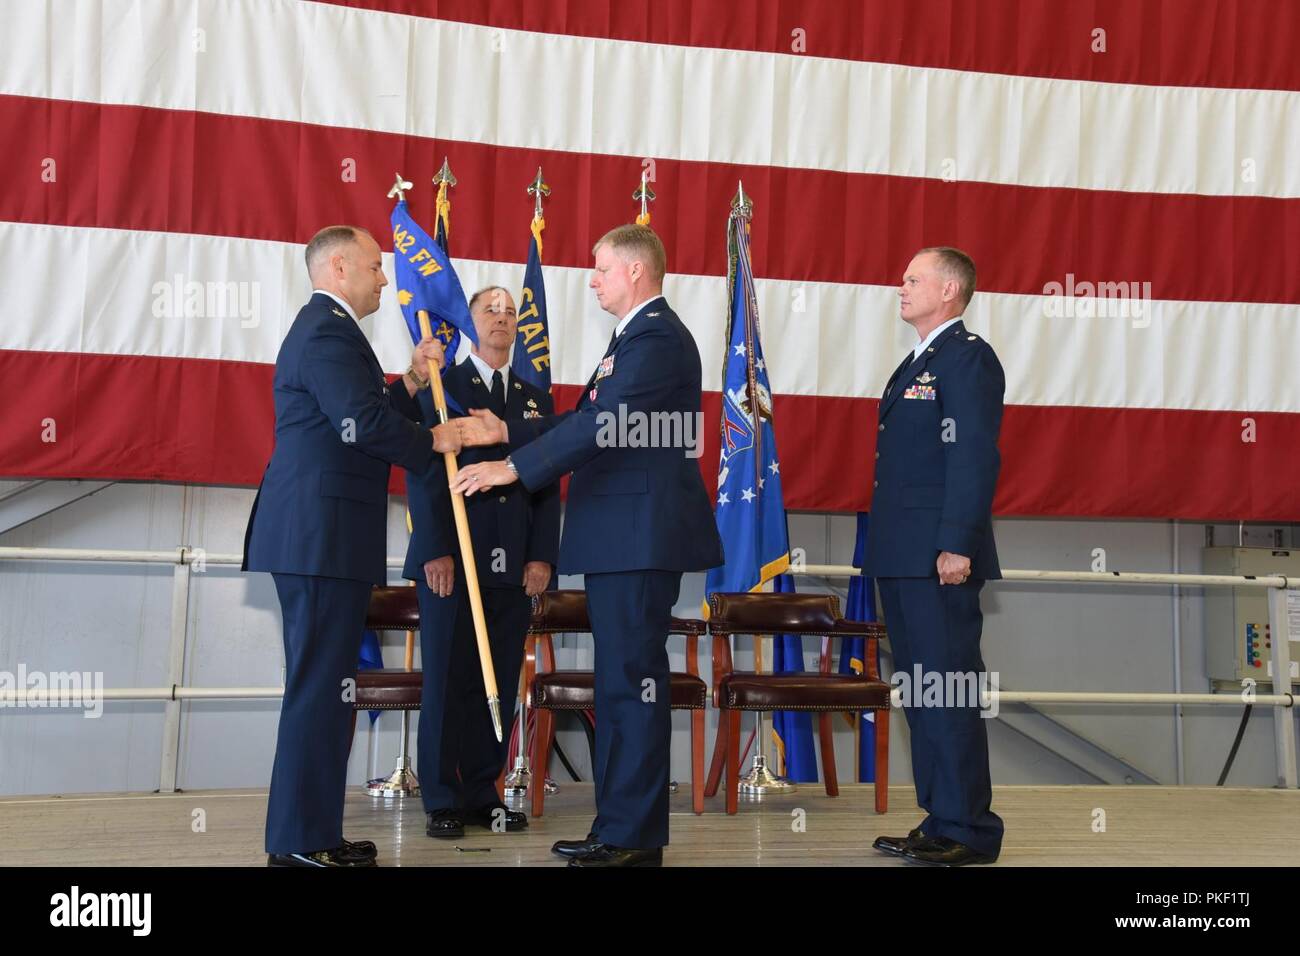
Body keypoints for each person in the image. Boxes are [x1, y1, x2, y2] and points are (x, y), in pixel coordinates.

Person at [451, 224, 723, 867]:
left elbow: (607, 423)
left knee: (631, 683)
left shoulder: (656, 336)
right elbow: (586, 419)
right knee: (623, 684)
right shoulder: (633, 338)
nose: (592, 279)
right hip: (621, 537)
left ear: (634, 271)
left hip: (638, 535)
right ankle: (622, 830)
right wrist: (509, 427)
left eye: (600, 268)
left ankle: (630, 838)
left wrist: (512, 466)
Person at [243, 225, 460, 867]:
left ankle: (313, 836)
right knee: (318, 689)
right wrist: (434, 443)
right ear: (339, 267)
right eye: (374, 266)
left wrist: (414, 387)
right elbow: (362, 425)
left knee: (328, 687)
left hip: (324, 536)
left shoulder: (333, 333)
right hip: (317, 536)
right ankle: (300, 843)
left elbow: (357, 415)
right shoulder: (327, 331)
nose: (385, 278)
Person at [864, 246, 1006, 866]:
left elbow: (973, 457)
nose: (901, 285)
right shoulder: (912, 365)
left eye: (913, 278)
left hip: (939, 556)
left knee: (947, 689)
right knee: (921, 693)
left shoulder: (968, 359)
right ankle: (939, 817)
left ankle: (970, 829)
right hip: (900, 556)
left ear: (949, 290)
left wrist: (956, 541)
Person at [403, 285, 559, 839]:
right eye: (489, 309)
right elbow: (423, 470)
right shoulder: (446, 387)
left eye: (510, 310)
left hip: (512, 565)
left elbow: (546, 483)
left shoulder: (533, 397)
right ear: (470, 323)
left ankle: (482, 790)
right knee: (448, 678)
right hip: (453, 560)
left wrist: (541, 555)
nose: (502, 317)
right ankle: (442, 795)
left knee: (496, 678)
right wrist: (434, 549)